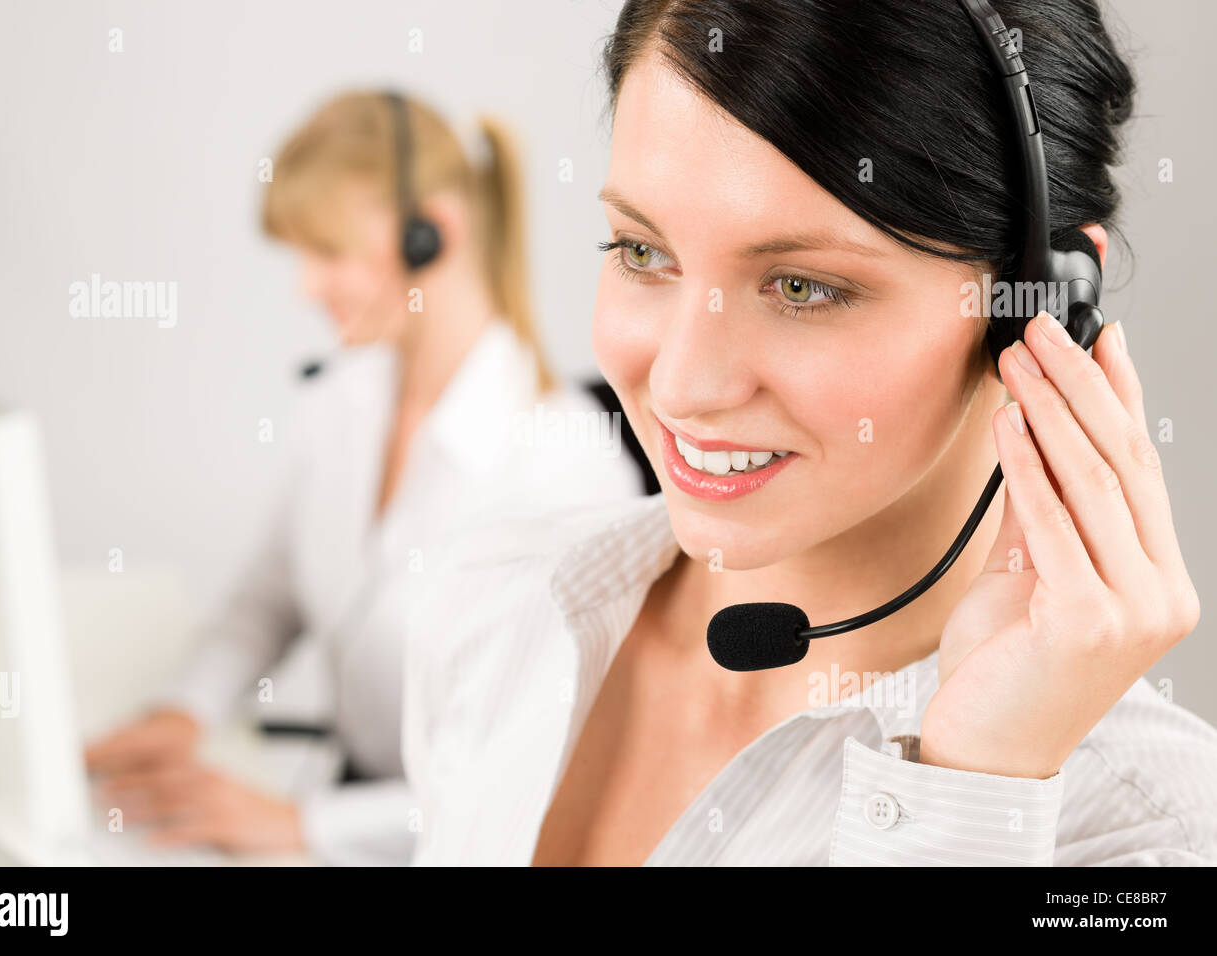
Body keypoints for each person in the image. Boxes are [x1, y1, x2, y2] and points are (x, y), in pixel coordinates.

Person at [401, 0, 1217, 865]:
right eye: (642, 253)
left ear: (1041, 306)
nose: (681, 382)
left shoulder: (1156, 836)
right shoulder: (493, 606)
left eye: (801, 288)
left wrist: (975, 792)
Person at [83, 89, 648, 865]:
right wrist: (185, 711)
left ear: (431, 235)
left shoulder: (560, 471)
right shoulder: (344, 400)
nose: (305, 288)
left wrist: (299, 827)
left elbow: (531, 781)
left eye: (329, 254)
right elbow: (267, 601)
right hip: (344, 822)